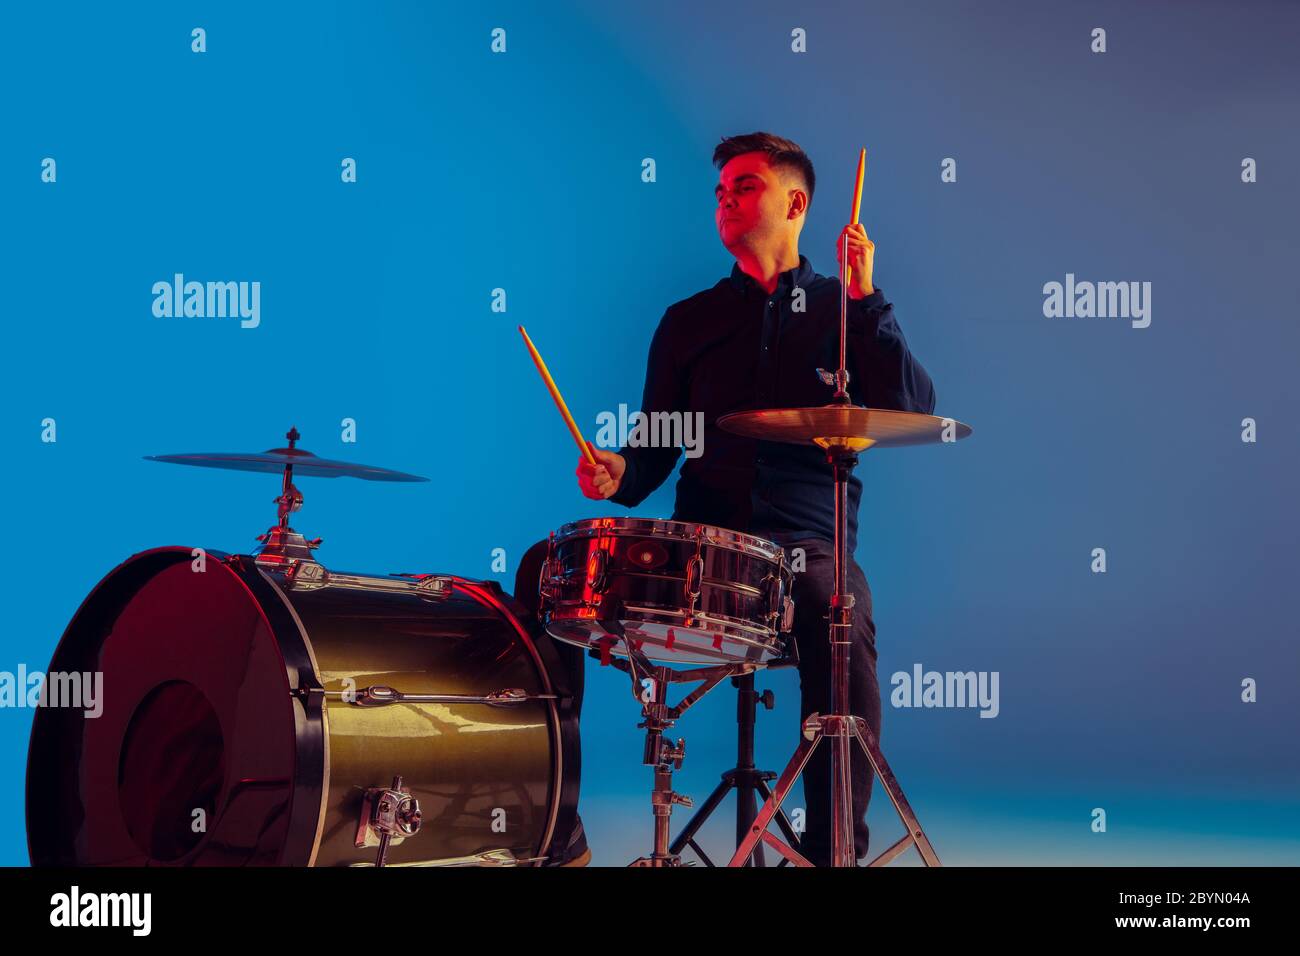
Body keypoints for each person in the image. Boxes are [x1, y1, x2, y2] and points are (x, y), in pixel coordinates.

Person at [520, 131, 936, 866]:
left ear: (795, 202)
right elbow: (659, 439)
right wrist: (618, 469)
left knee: (837, 613)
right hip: (701, 543)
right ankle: (553, 824)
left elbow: (907, 404)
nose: (725, 201)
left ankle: (833, 850)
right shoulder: (690, 322)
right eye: (720, 191)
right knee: (542, 570)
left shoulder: (847, 311)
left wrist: (868, 297)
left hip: (805, 545)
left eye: (743, 186)